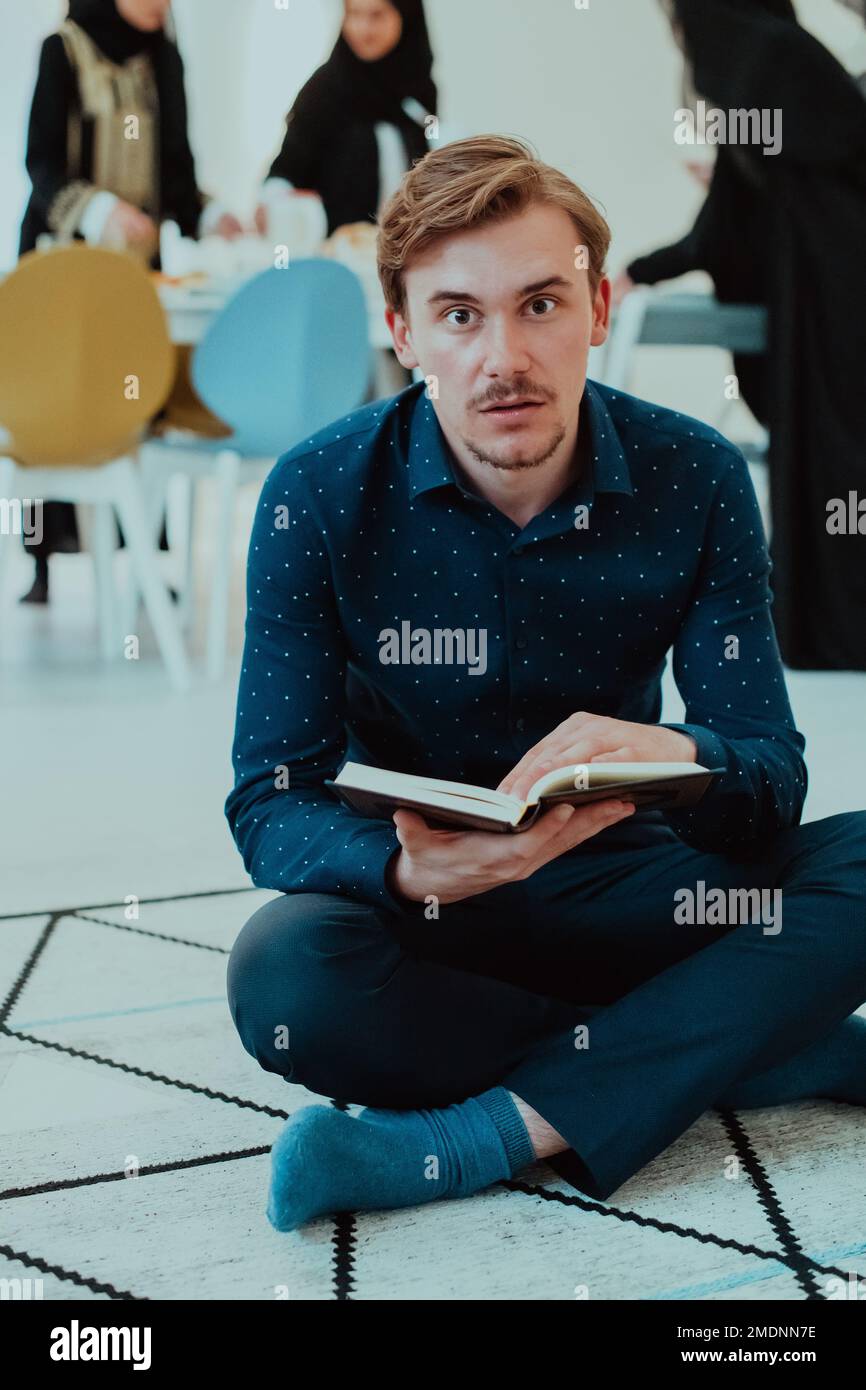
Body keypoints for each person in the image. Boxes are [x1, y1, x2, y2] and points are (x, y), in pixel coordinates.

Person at [224, 135, 866, 1231]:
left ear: (598, 308)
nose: (501, 357)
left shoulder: (695, 476)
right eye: (459, 315)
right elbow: (269, 794)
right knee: (283, 978)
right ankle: (746, 1042)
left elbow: (768, 773)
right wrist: (394, 860)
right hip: (426, 910)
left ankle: (481, 1136)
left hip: (633, 883)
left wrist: (691, 754)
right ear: (404, 331)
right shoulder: (316, 494)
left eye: (538, 305)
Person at [614, 0, 866, 672]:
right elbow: (732, 214)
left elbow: (729, 220)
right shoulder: (776, 62)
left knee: (842, 459)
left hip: (837, 299)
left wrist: (642, 269)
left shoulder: (766, 62)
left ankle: (841, 632)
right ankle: (832, 632)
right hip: (825, 296)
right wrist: (642, 269)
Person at [17, 0, 242, 604]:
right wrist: (98, 209)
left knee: (139, 399)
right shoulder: (62, 49)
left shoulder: (162, 59)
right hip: (63, 262)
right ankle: (42, 562)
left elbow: (175, 168)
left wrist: (215, 215)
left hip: (138, 272)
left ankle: (145, 556)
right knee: (60, 401)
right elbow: (39, 163)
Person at [254, 0, 437, 239]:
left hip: (403, 249)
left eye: (376, 15)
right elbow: (287, 170)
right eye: (354, 14)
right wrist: (274, 202)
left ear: (405, 16)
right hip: (336, 256)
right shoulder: (326, 88)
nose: (363, 28)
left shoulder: (419, 90)